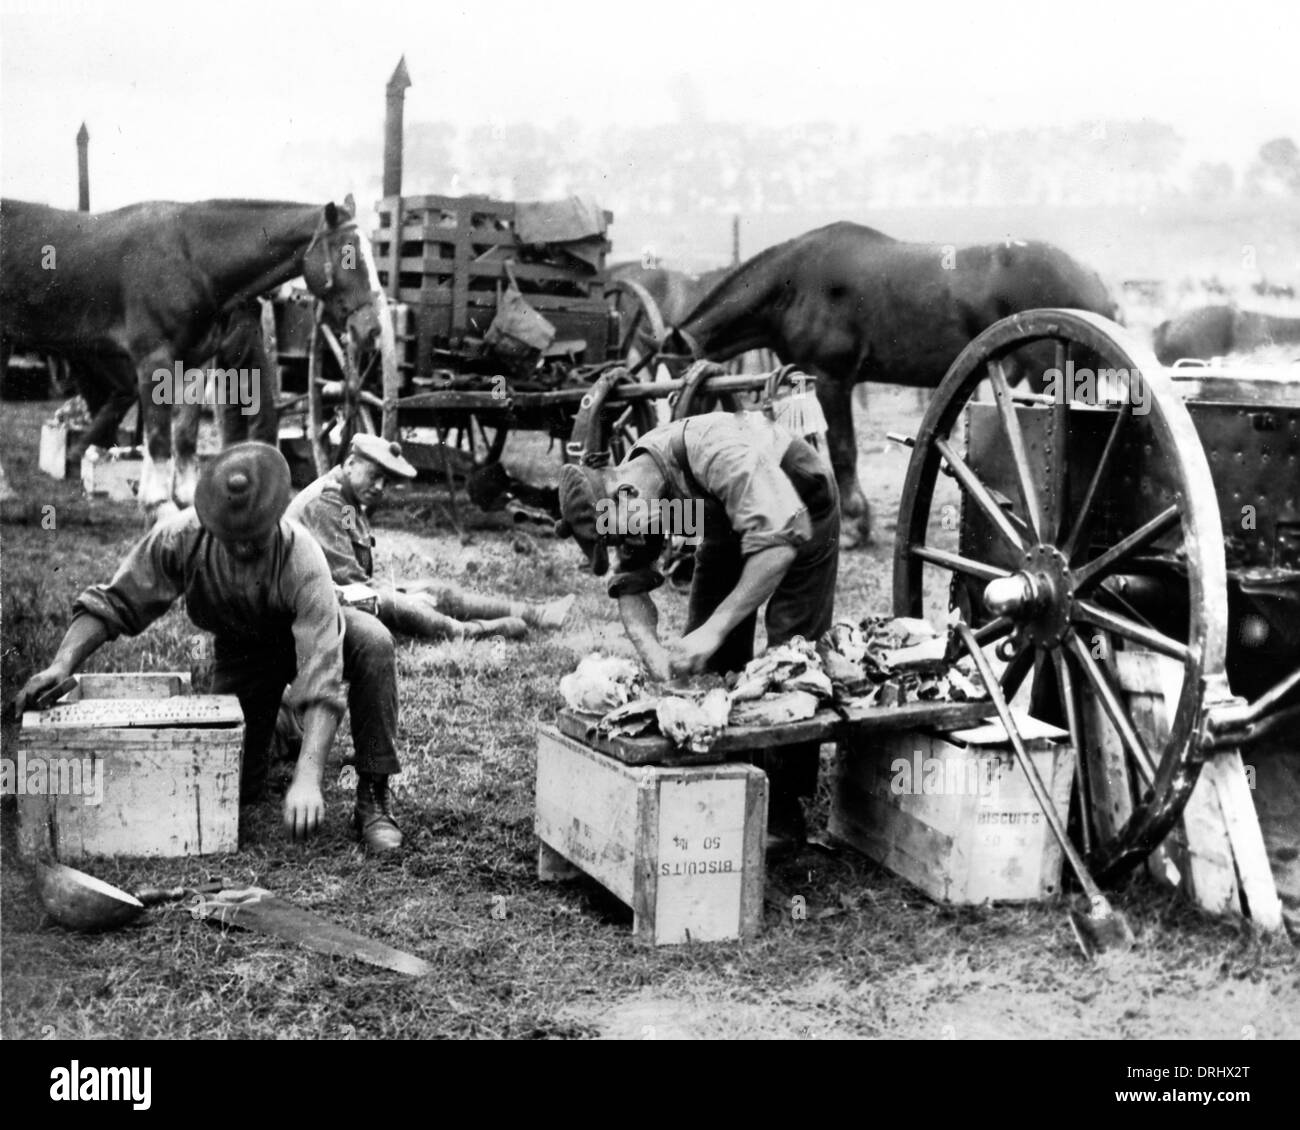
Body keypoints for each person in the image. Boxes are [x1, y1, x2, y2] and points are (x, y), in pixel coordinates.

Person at [13, 442, 405, 854]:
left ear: (273, 519)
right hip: (246, 651)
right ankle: (283, 725)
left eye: (253, 538)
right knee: (236, 788)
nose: (242, 549)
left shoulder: (301, 554)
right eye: (230, 538)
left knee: (374, 642)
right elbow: (113, 603)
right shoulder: (180, 537)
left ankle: (373, 797)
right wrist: (62, 664)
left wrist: (308, 777)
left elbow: (321, 670)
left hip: (315, 634)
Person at [556, 411, 840, 849]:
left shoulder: (715, 450)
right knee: (709, 668)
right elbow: (630, 580)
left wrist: (714, 630)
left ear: (624, 495)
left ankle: (783, 813)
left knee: (788, 661)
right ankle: (726, 785)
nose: (626, 538)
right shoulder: (636, 493)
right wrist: (653, 653)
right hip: (727, 524)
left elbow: (779, 544)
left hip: (799, 512)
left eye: (618, 531)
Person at [285, 434, 574, 641]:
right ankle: (478, 631)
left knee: (436, 591)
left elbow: (356, 580)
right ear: (350, 464)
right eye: (374, 475)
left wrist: (407, 592)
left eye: (385, 480)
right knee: (409, 605)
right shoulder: (325, 502)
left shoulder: (346, 497)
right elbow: (351, 580)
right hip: (309, 609)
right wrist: (403, 597)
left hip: (342, 593)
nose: (379, 486)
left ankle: (537, 613)